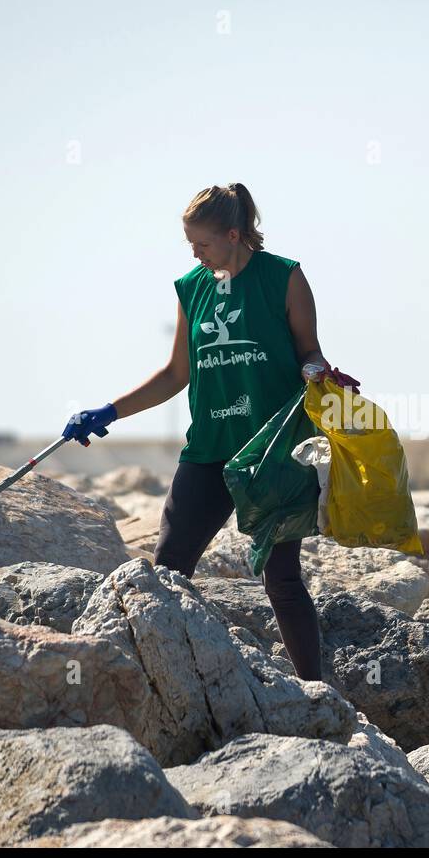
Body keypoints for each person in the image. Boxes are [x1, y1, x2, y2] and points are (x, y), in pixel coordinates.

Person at [62, 182, 357, 682]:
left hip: (271, 452)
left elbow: (310, 350)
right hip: (208, 450)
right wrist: (109, 411)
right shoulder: (192, 288)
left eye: (202, 244)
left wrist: (317, 371)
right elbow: (177, 374)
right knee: (169, 569)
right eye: (190, 246)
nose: (195, 255)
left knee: (282, 578)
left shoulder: (283, 278)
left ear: (235, 235)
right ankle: (163, 684)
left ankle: (315, 694)